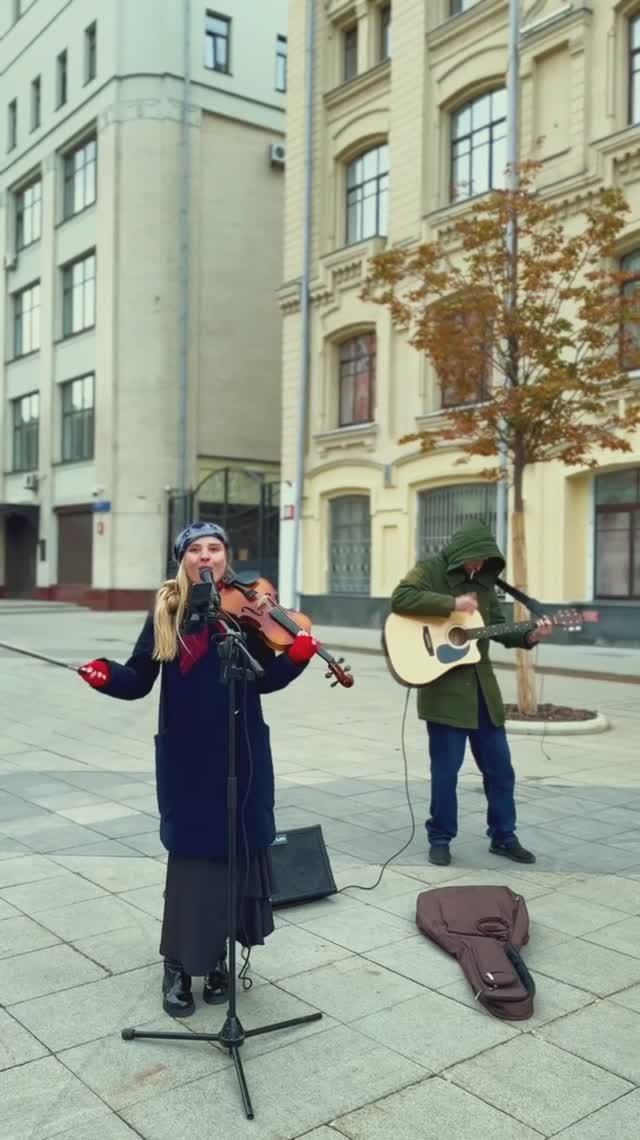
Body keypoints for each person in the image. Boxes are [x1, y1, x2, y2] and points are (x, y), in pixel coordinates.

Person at [79, 521, 317, 1017]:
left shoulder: (243, 614)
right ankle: (178, 965)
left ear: (226, 557)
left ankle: (219, 962)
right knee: (193, 863)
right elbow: (138, 677)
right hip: (189, 755)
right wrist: (106, 676)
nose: (205, 556)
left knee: (235, 855)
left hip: (242, 751)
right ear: (182, 559)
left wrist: (295, 659)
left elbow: (264, 681)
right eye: (195, 549)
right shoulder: (169, 609)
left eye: (215, 548)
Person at [391, 519, 552, 868]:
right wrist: (451, 603)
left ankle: (504, 836)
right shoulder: (429, 570)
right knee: (445, 773)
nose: (478, 567)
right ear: (461, 553)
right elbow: (401, 598)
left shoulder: (485, 584)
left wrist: (530, 636)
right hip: (445, 694)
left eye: (484, 561)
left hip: (483, 694)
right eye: (474, 560)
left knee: (501, 770)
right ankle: (440, 838)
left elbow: (495, 629)